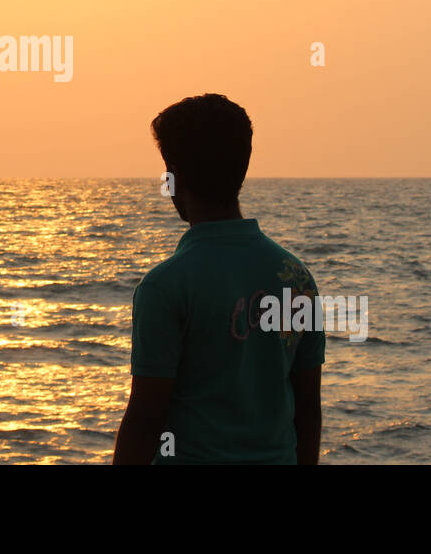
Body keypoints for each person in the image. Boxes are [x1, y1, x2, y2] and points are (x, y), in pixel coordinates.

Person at [112, 93, 323, 465]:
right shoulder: (296, 279)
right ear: (241, 168)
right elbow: (307, 409)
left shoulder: (165, 286)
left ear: (173, 177)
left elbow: (145, 420)